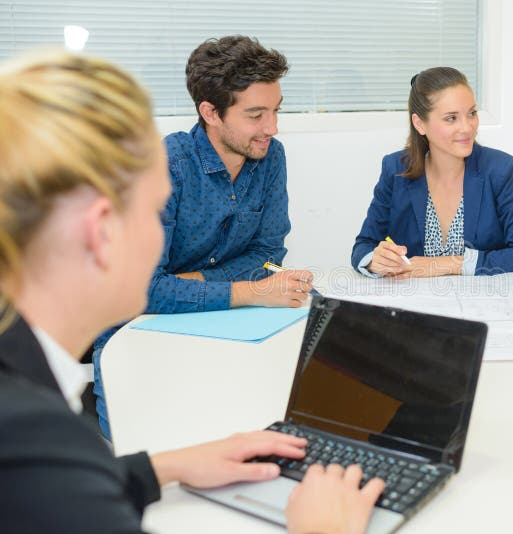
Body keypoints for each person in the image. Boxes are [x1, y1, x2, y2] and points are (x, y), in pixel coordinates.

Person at [0, 51, 383, 534]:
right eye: (152, 211)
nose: (272, 128)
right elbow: (154, 288)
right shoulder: (35, 432)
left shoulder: (30, 396)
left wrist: (167, 466)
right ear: (102, 232)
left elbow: (66, 490)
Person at [92, 36, 313, 438]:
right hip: (137, 336)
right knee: (153, 449)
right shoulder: (165, 167)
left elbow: (268, 253)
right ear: (210, 112)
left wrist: (190, 284)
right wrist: (250, 291)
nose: (272, 128)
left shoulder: (270, 156)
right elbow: (141, 294)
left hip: (226, 328)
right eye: (256, 114)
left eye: (276, 111)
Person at [351, 67, 513, 278]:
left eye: (472, 113)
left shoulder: (500, 169)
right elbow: (364, 246)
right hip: (414, 304)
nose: (467, 127)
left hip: (481, 306)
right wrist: (375, 261)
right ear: (420, 124)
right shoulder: (396, 169)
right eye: (451, 118)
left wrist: (449, 264)